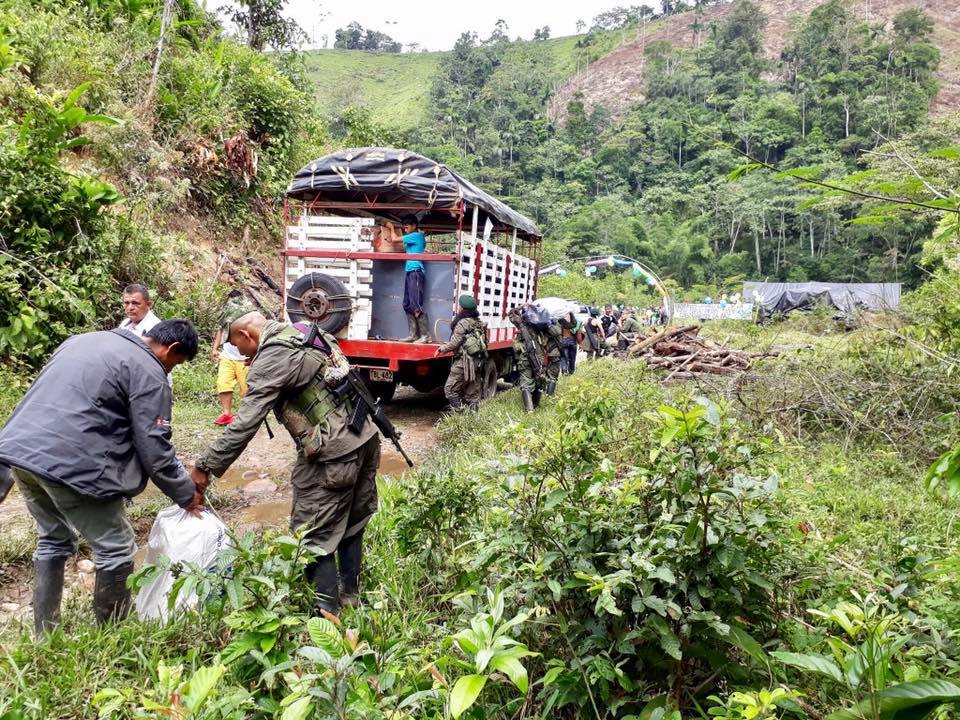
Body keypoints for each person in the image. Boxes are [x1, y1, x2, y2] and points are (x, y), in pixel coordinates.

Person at [0, 320, 203, 634]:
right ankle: (114, 636)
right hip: (69, 463)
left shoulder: (83, 340)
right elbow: (154, 446)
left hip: (19, 454)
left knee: (53, 540)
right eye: (175, 364)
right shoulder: (149, 370)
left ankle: (45, 634)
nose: (170, 371)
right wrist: (186, 493)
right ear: (173, 348)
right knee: (117, 548)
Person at [190, 312, 381, 614]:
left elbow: (245, 423)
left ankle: (325, 617)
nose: (237, 352)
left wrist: (205, 465)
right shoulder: (308, 331)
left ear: (247, 335)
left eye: (235, 344)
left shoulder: (272, 358)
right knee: (353, 522)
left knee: (312, 532)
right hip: (365, 437)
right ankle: (351, 598)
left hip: (333, 453)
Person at [210, 290, 259, 426]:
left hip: (244, 358)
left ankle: (246, 416)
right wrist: (215, 349)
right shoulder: (227, 313)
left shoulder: (247, 313)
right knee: (223, 383)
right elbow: (221, 330)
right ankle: (226, 413)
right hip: (227, 357)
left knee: (246, 388)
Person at [435, 294, 486, 410]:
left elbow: (455, 343)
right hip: (477, 361)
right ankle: (472, 419)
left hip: (464, 362)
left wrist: (441, 349)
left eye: (459, 306)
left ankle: (461, 413)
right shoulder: (478, 322)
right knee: (472, 393)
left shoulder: (462, 323)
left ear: (462, 308)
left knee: (450, 389)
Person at [509, 305, 562, 413]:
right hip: (539, 357)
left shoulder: (521, 323)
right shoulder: (544, 326)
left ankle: (530, 410)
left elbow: (511, 313)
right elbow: (557, 332)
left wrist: (521, 306)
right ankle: (536, 404)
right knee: (539, 380)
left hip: (524, 357)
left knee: (526, 383)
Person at [399, 216, 430, 343]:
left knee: (416, 304)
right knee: (407, 304)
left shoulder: (416, 235)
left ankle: (425, 336)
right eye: (404, 227)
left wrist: (390, 228)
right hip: (409, 271)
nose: (405, 229)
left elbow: (394, 240)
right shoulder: (412, 238)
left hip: (416, 272)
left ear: (414, 226)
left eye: (407, 226)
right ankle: (413, 335)